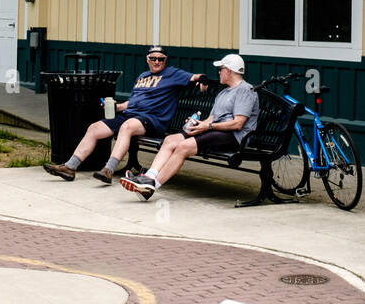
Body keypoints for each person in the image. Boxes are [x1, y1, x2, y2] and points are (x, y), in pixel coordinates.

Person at [43, 46, 203, 185]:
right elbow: (132, 103)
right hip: (131, 116)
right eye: (153, 58)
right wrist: (116, 106)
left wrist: (202, 80)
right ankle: (70, 167)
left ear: (165, 60)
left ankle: (108, 170)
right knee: (94, 128)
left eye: (160, 59)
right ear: (147, 59)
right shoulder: (143, 77)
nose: (157, 62)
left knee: (127, 127)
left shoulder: (172, 73)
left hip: (152, 120)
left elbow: (195, 77)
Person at [120, 53, 258, 201]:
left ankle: (151, 186)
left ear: (229, 70)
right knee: (171, 140)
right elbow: (212, 118)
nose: (218, 72)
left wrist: (209, 126)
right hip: (215, 130)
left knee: (183, 147)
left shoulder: (245, 91)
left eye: (220, 69)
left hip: (234, 137)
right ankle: (149, 177)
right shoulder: (224, 92)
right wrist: (198, 124)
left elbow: (238, 124)